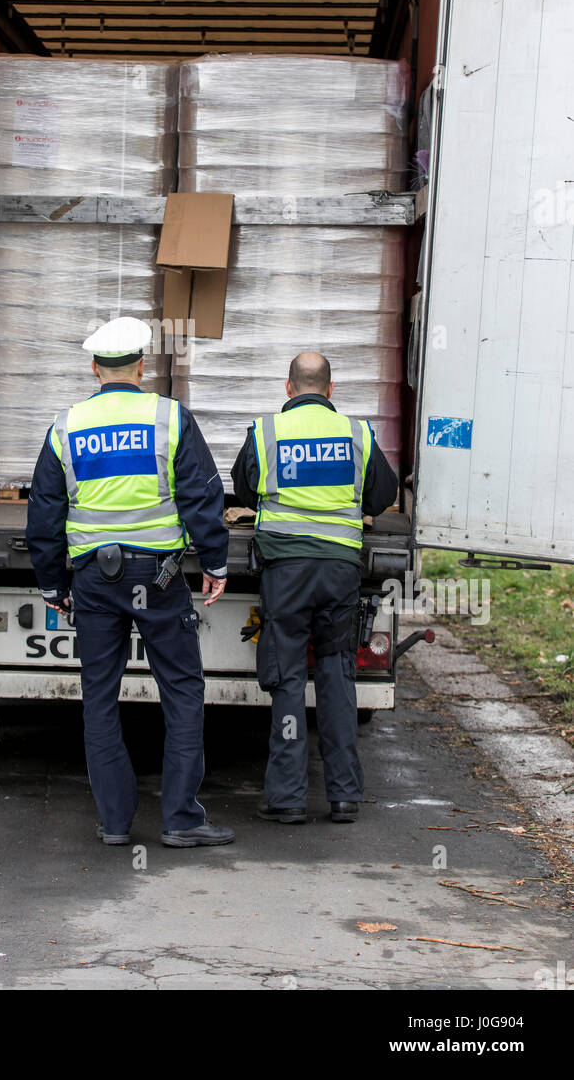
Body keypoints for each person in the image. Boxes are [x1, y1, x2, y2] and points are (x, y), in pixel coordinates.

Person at [26, 316, 234, 848]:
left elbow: (45, 513)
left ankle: (116, 823)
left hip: (94, 579)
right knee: (182, 690)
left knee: (98, 696)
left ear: (95, 369)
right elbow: (202, 495)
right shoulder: (169, 417)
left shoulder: (66, 426)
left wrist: (53, 584)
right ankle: (182, 820)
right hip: (159, 578)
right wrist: (215, 562)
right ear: (142, 366)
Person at [231, 351, 398, 825]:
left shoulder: (266, 433)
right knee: (336, 674)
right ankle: (344, 796)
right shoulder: (358, 433)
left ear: (288, 388)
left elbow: (244, 491)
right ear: (330, 390)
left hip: (286, 573)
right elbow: (381, 496)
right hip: (340, 572)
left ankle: (286, 799)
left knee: (286, 679)